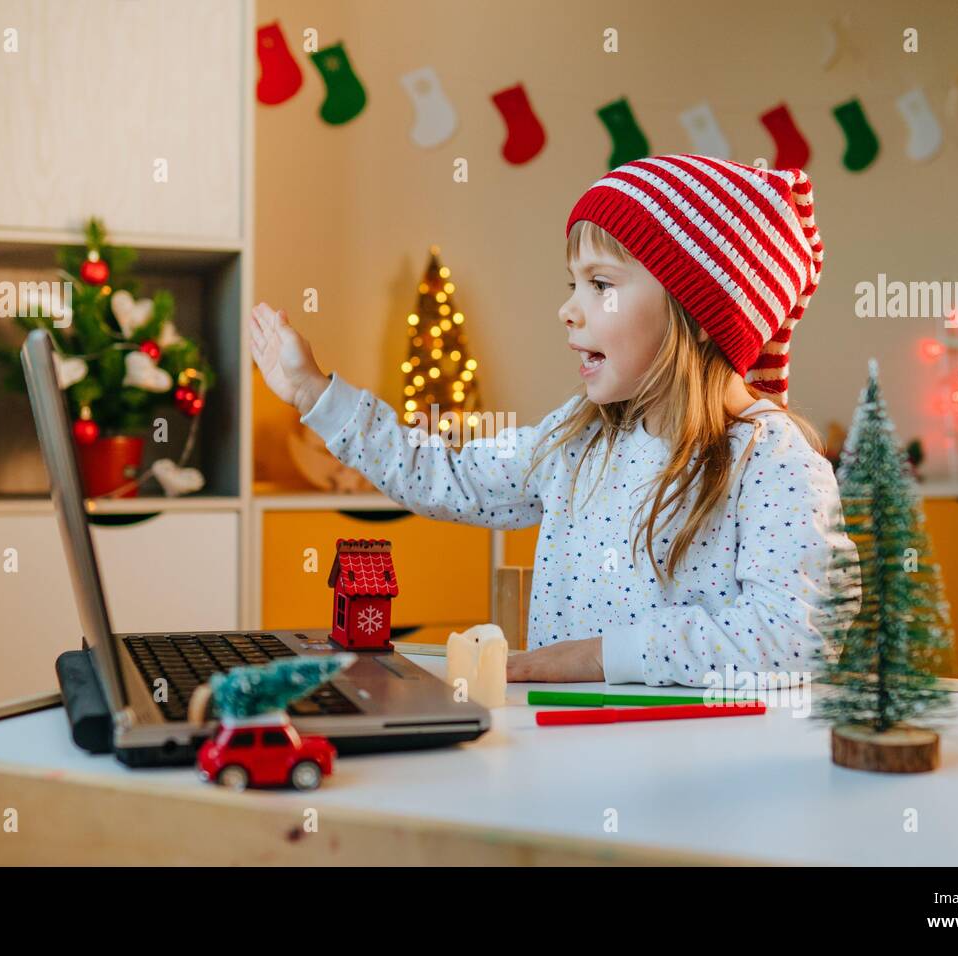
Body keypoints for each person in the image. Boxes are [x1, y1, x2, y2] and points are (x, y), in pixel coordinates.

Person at [250, 153, 857, 686]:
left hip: (687, 784)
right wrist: (314, 393)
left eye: (599, 284)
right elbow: (449, 476)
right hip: (562, 756)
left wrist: (597, 658)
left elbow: (798, 639)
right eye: (573, 283)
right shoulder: (581, 435)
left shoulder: (772, 462)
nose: (568, 309)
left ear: (698, 314)